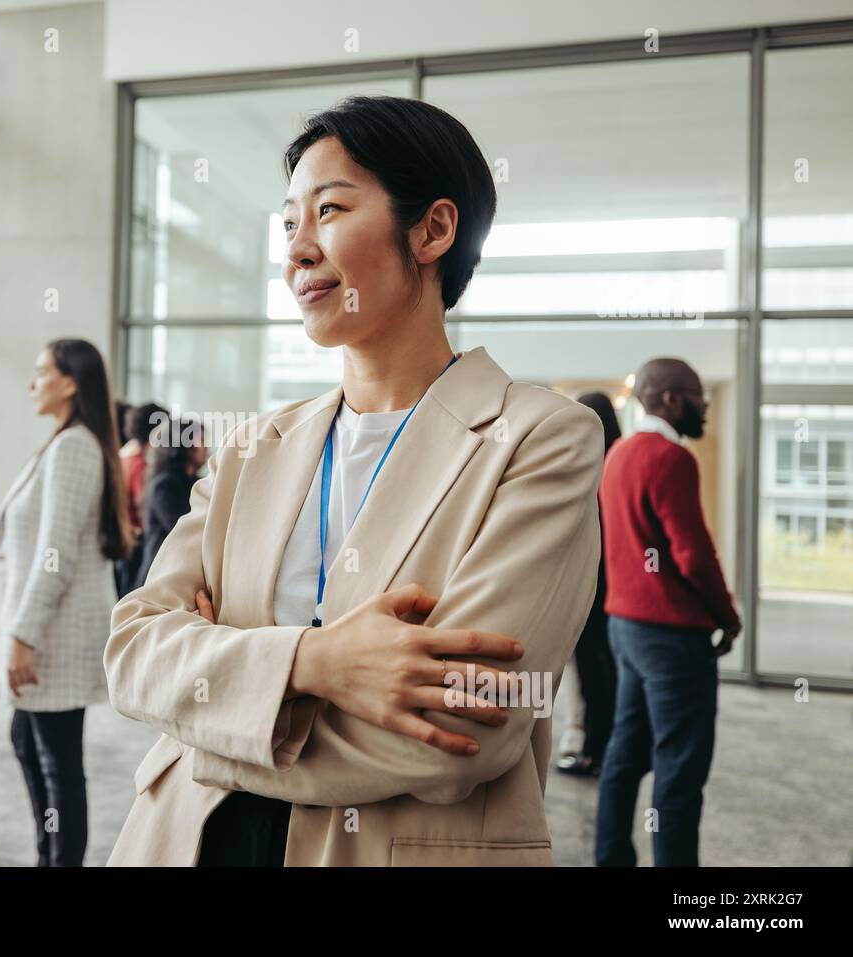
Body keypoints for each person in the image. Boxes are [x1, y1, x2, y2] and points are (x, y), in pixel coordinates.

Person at [104, 95, 604, 867]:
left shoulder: (540, 438)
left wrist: (206, 714)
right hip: (193, 840)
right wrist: (316, 665)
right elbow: (133, 650)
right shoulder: (253, 448)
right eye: (287, 224)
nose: (297, 251)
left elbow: (464, 732)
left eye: (329, 210)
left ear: (434, 229)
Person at [594, 358, 740, 868]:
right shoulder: (672, 459)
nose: (705, 407)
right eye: (700, 397)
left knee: (623, 757)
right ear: (673, 400)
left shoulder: (619, 455)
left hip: (626, 628)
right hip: (673, 639)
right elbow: (693, 555)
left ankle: (611, 859)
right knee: (679, 769)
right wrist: (728, 615)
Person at [0, 338, 130, 866]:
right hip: (47, 627)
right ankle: (48, 857)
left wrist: (23, 636)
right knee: (30, 745)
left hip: (54, 632)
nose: (32, 382)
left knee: (57, 763)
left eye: (41, 372)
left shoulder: (74, 446)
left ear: (70, 382)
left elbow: (54, 555)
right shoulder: (64, 441)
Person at [555, 392, 621, 777]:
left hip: (588, 586)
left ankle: (595, 751)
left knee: (593, 673)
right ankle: (599, 746)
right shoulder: (618, 465)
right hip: (614, 586)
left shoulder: (588, 470)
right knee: (604, 671)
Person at [131, 416, 206, 591]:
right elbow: (184, 530)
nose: (206, 447)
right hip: (159, 578)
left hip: (178, 574)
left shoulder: (197, 483)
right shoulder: (165, 485)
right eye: (201, 440)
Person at [115, 402, 166, 598]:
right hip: (137, 546)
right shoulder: (140, 464)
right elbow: (141, 503)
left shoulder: (122, 457)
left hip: (124, 544)